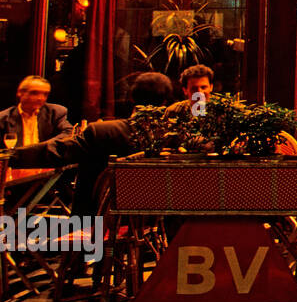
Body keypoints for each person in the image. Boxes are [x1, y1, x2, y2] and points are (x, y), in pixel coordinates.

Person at [2, 73, 175, 218]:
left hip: (94, 223)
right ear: (166, 102)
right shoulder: (172, 136)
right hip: (149, 221)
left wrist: (8, 157)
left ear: (130, 97)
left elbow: (58, 152)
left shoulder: (103, 133)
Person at [0, 76, 74, 147]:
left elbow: (69, 133)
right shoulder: (3, 118)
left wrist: (37, 149)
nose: (40, 98)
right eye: (34, 93)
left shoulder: (55, 112)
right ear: (20, 93)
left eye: (45, 94)